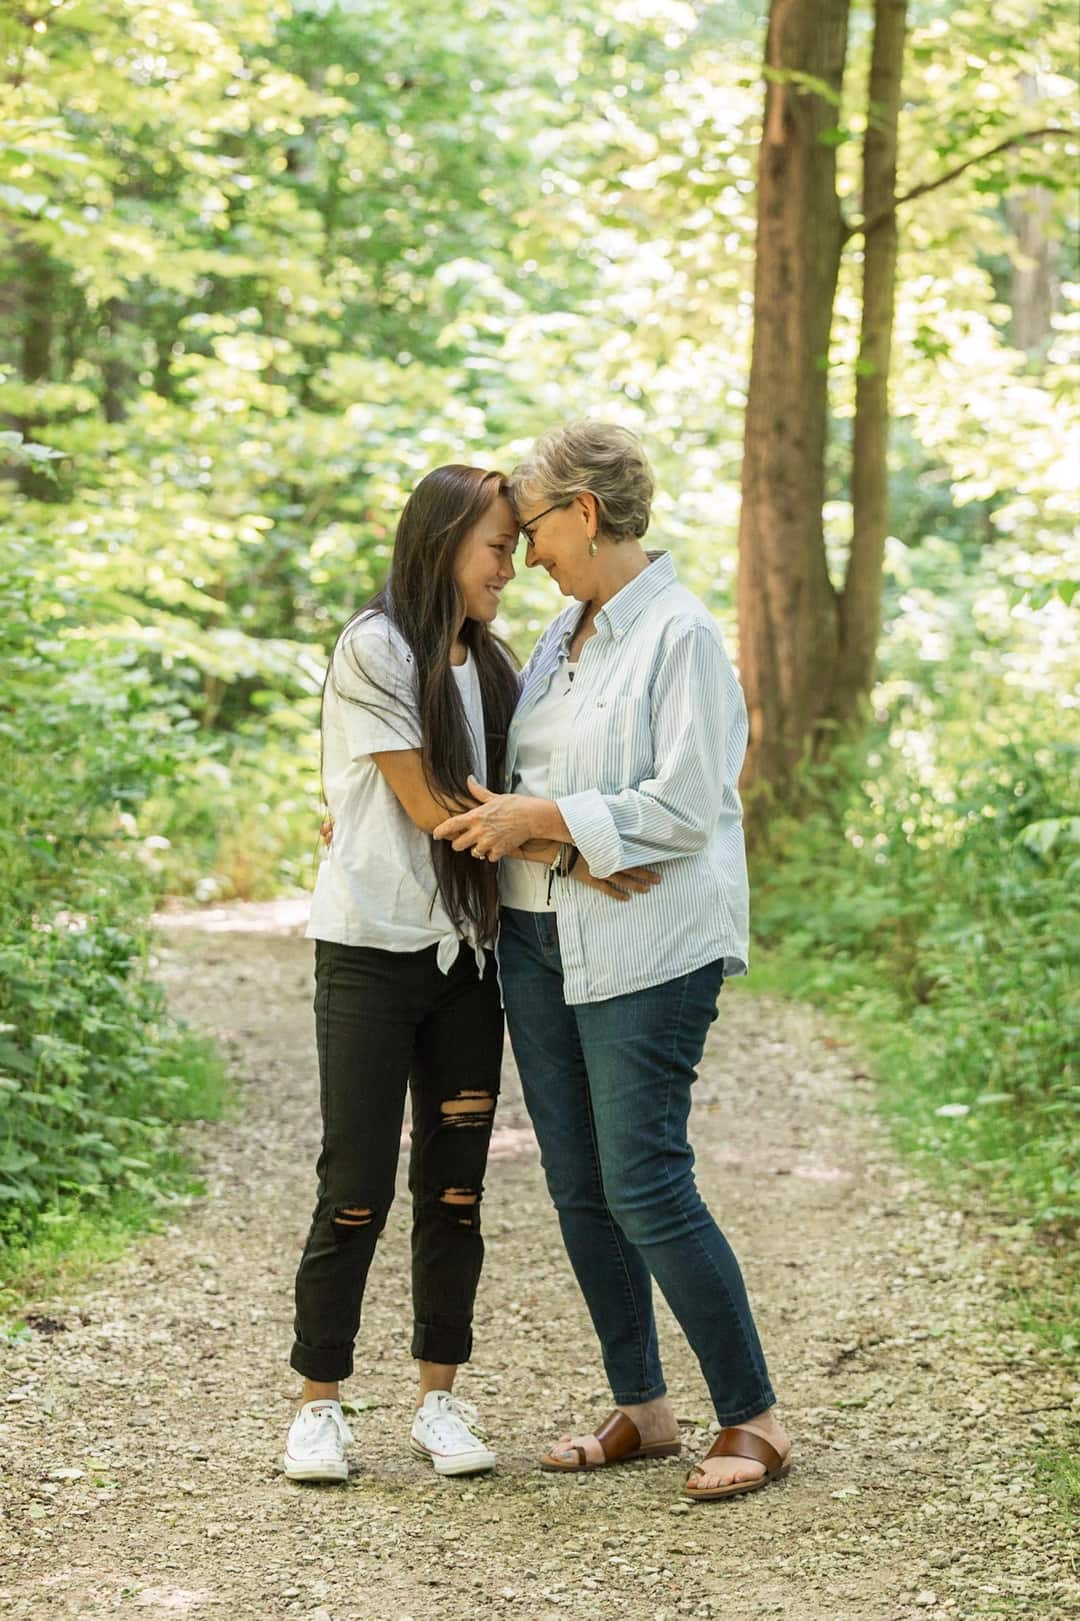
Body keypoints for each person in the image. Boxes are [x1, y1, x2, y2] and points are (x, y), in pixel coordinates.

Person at [434, 422, 791, 1502]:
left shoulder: (680, 635)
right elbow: (517, 781)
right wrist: (543, 836)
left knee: (645, 1179)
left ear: (584, 513)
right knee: (579, 1184)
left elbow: (687, 802)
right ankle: (643, 1404)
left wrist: (551, 819)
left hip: (650, 944)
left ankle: (755, 1417)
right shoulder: (562, 635)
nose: (526, 554)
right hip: (539, 934)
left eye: (534, 529)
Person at [285, 463, 655, 1485]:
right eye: (496, 547)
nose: (511, 566)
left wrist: (587, 834)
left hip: (465, 962)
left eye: (516, 545)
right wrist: (574, 854)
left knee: (455, 1189)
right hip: (368, 953)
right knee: (354, 1185)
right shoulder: (375, 647)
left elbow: (522, 786)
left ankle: (438, 1399)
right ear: (443, 542)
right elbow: (434, 805)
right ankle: (318, 1405)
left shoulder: (491, 666)